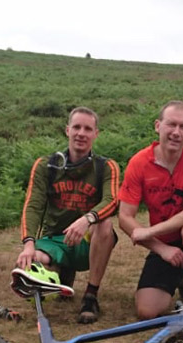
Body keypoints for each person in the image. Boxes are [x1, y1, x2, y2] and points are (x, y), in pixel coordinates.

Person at [16, 107, 120, 324]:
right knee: (32, 265)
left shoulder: (106, 166)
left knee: (104, 224)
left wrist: (87, 219)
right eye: (77, 127)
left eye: (87, 129)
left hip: (87, 241)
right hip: (55, 238)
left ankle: (91, 296)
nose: (81, 133)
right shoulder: (46, 165)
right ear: (67, 130)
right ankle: (60, 272)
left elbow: (112, 200)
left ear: (96, 134)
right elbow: (33, 206)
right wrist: (28, 244)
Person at [118, 101, 183, 320]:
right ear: (158, 126)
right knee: (147, 311)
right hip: (166, 240)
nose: (176, 132)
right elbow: (125, 217)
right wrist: (161, 248)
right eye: (171, 125)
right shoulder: (138, 163)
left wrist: (150, 231)